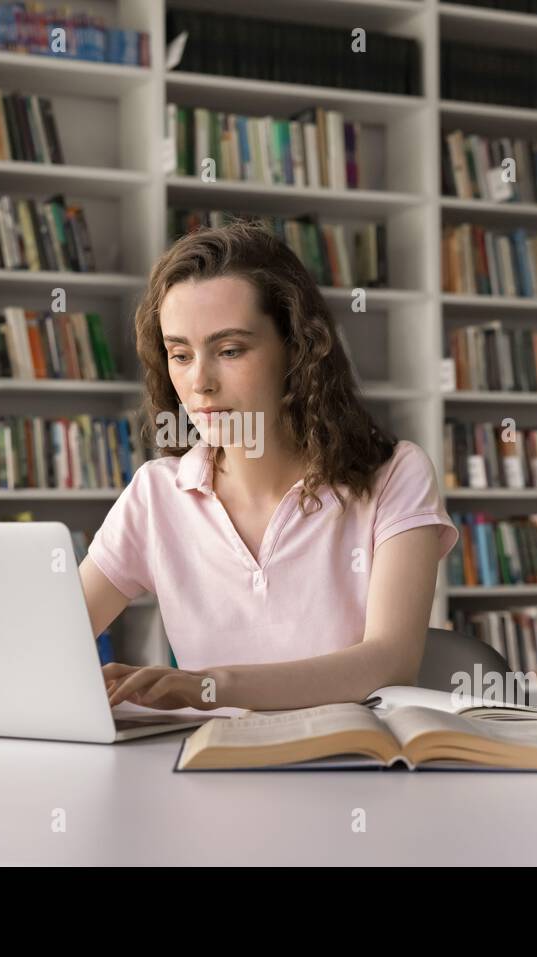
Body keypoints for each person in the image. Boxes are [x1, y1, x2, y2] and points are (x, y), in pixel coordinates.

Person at [79, 220, 458, 712]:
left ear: (297, 352)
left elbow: (389, 661)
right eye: (180, 354)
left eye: (230, 350)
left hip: (358, 772)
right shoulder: (156, 494)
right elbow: (49, 645)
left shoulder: (395, 475)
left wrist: (206, 687)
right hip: (214, 772)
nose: (200, 383)